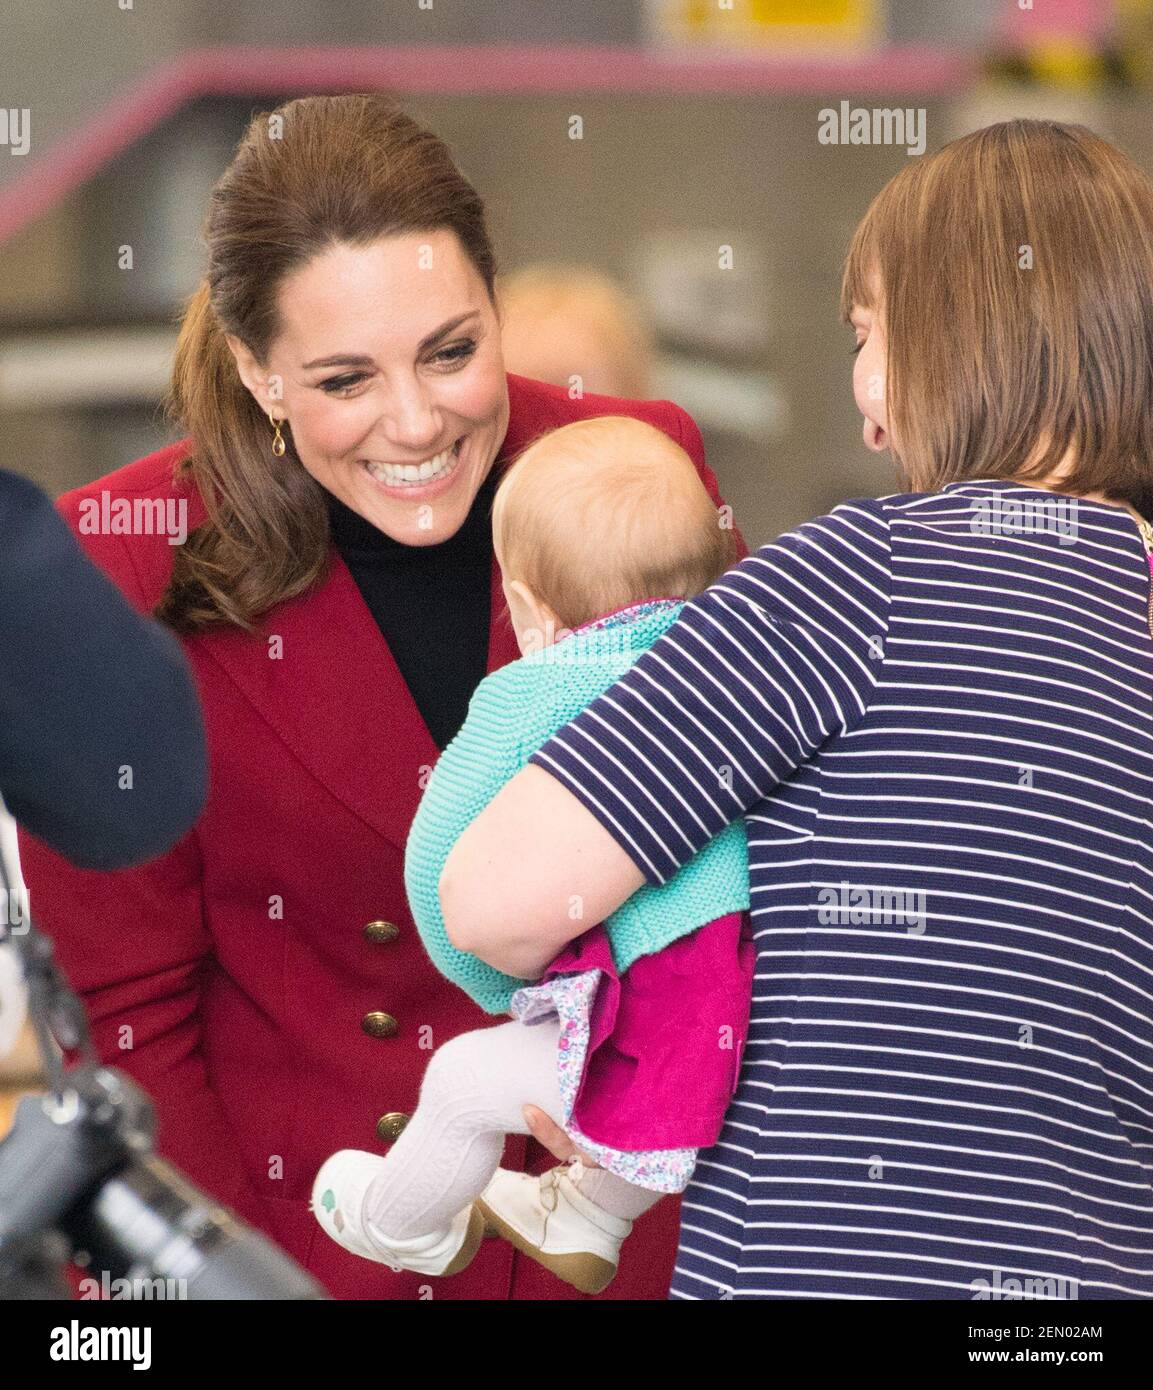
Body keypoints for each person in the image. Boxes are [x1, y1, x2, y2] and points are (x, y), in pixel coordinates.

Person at [14, 92, 745, 1301]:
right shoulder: (120, 560)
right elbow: (126, 1020)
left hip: (614, 1235)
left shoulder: (630, 464)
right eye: (345, 378)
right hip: (312, 1251)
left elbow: (731, 846)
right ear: (256, 371)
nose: (416, 423)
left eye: (453, 352)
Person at [440, 119, 1153, 1299]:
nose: (868, 409)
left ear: (956, 324)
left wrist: (618, 1059)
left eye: (868, 335)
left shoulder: (857, 578)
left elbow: (496, 902)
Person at [310, 417, 753, 1294]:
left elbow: (441, 871)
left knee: (467, 1078)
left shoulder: (531, 690)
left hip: (655, 1026)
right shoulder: (742, 672)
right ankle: (590, 1212)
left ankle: (400, 1225)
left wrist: (507, 995)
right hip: (761, 1010)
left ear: (530, 609)